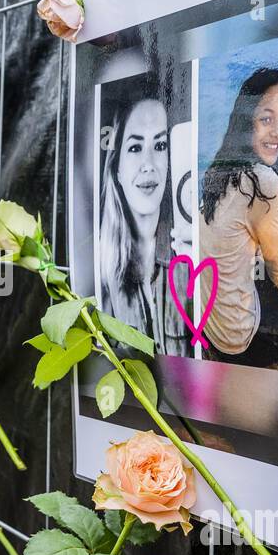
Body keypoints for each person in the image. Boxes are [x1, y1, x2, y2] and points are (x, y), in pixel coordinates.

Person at [198, 67, 278, 369]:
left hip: (210, 323)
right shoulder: (262, 180)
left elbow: (256, 246)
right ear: (246, 120)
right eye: (266, 118)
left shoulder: (222, 169)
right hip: (236, 340)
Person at [97, 73, 187, 356]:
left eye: (159, 146)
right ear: (117, 169)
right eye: (135, 147)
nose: (149, 164)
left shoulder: (190, 249)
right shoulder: (99, 265)